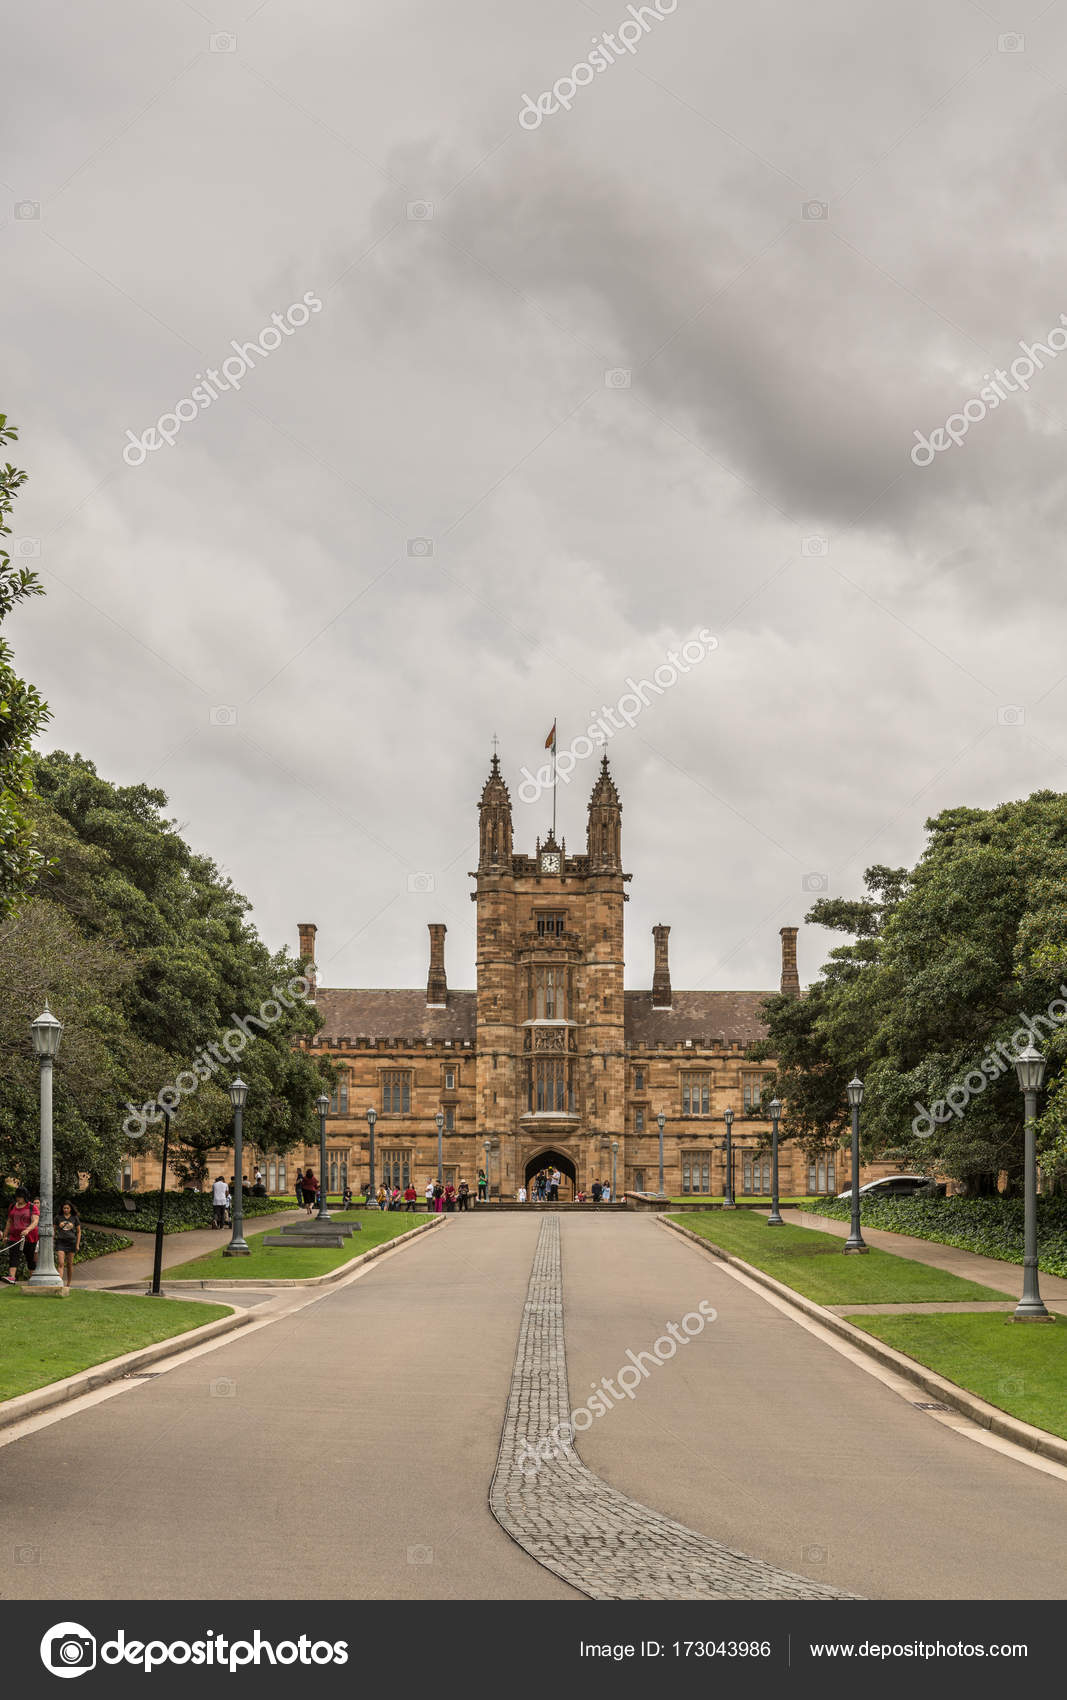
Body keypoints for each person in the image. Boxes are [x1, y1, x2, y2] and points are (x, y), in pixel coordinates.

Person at [4, 1189, 34, 1283]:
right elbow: (9, 1221)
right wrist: (5, 1234)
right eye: (17, 1196)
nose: (18, 1198)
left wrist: (27, 1230)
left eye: (20, 1196)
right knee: (14, 1256)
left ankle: (33, 1278)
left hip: (29, 1237)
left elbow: (35, 1221)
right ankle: (12, 1277)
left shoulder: (31, 1207)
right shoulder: (12, 1206)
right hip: (14, 1237)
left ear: (25, 1196)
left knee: (30, 1258)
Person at [54, 1199, 81, 1289]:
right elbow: (53, 1230)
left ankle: (68, 1283)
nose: (65, 1210)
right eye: (64, 1208)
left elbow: (78, 1231)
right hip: (61, 1242)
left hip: (71, 1242)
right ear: (62, 1209)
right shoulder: (58, 1217)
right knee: (61, 1263)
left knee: (69, 1264)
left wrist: (77, 1244)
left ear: (70, 1209)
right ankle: (60, 1282)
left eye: (67, 1208)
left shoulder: (74, 1218)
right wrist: (52, 1240)